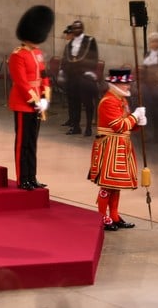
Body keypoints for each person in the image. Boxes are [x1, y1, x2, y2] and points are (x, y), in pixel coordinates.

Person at [87, 69, 145, 232]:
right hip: (110, 145)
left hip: (121, 145)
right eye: (125, 83)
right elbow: (119, 126)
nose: (128, 86)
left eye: (128, 83)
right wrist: (134, 116)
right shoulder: (108, 101)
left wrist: (139, 122)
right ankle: (102, 216)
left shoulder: (121, 100)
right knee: (107, 184)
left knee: (116, 184)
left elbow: (128, 127)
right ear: (115, 83)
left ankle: (114, 214)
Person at [8, 5, 53, 191]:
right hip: (23, 103)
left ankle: (32, 177)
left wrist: (45, 98)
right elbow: (21, 82)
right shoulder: (17, 55)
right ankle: (22, 178)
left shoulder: (37, 53)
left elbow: (44, 76)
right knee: (22, 143)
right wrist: (35, 101)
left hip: (37, 104)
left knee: (32, 142)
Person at [60, 20, 99, 136]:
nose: (76, 30)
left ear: (82, 28)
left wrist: (87, 70)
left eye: (78, 28)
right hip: (72, 76)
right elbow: (65, 59)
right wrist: (63, 70)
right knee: (73, 102)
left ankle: (88, 127)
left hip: (85, 76)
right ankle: (75, 126)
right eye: (74, 28)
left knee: (87, 103)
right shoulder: (69, 44)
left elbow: (94, 57)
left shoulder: (90, 41)